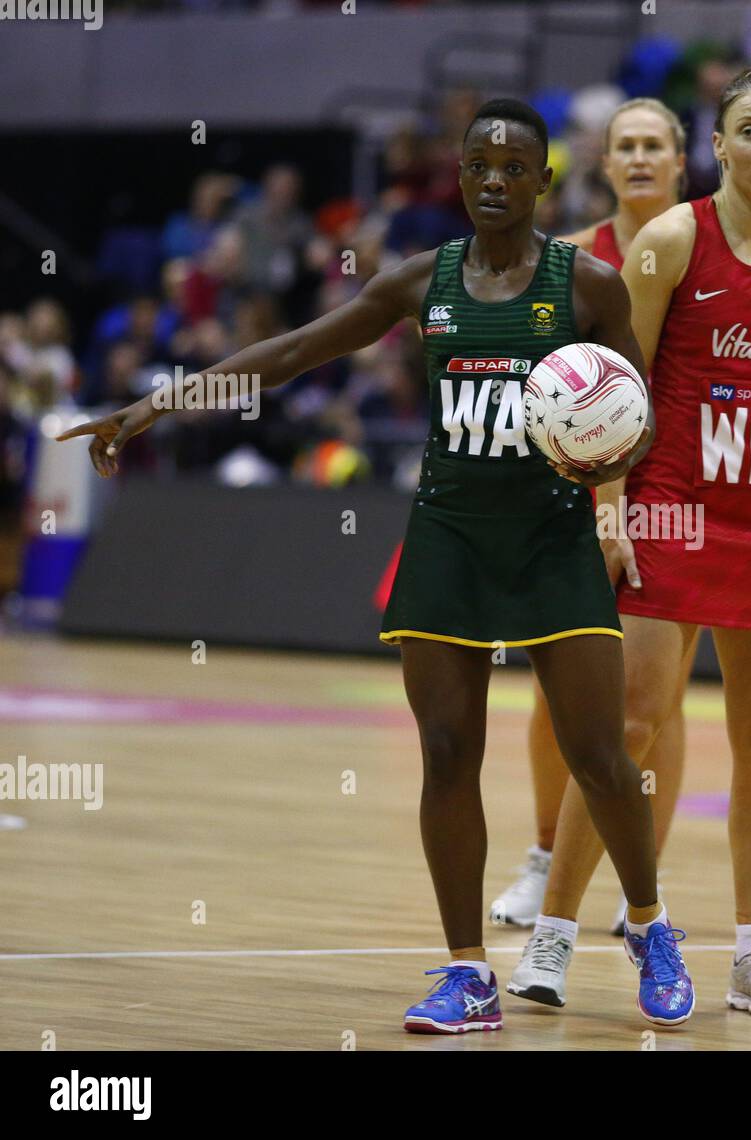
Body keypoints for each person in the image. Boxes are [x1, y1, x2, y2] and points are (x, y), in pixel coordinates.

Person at [58, 98, 696, 1032]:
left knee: (600, 757)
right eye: (477, 164)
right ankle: (468, 972)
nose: (492, 180)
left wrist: (607, 466)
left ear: (544, 182)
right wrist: (154, 407)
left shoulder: (589, 287)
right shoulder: (420, 282)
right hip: (447, 539)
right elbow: (295, 351)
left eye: (513, 167)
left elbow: (640, 423)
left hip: (553, 542)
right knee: (447, 754)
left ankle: (650, 922)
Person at [507, 68, 751, 1018]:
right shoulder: (667, 242)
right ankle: (555, 937)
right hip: (671, 511)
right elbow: (621, 386)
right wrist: (611, 509)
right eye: (750, 131)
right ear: (721, 144)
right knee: (625, 731)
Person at [490, 97, 690, 937]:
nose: (640, 158)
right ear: (604, 165)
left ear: (683, 159)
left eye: (654, 145)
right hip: (573, 494)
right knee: (558, 690)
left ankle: (642, 876)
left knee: (663, 703)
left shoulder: (703, 247)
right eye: (625, 147)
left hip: (676, 496)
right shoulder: (566, 262)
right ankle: (545, 855)